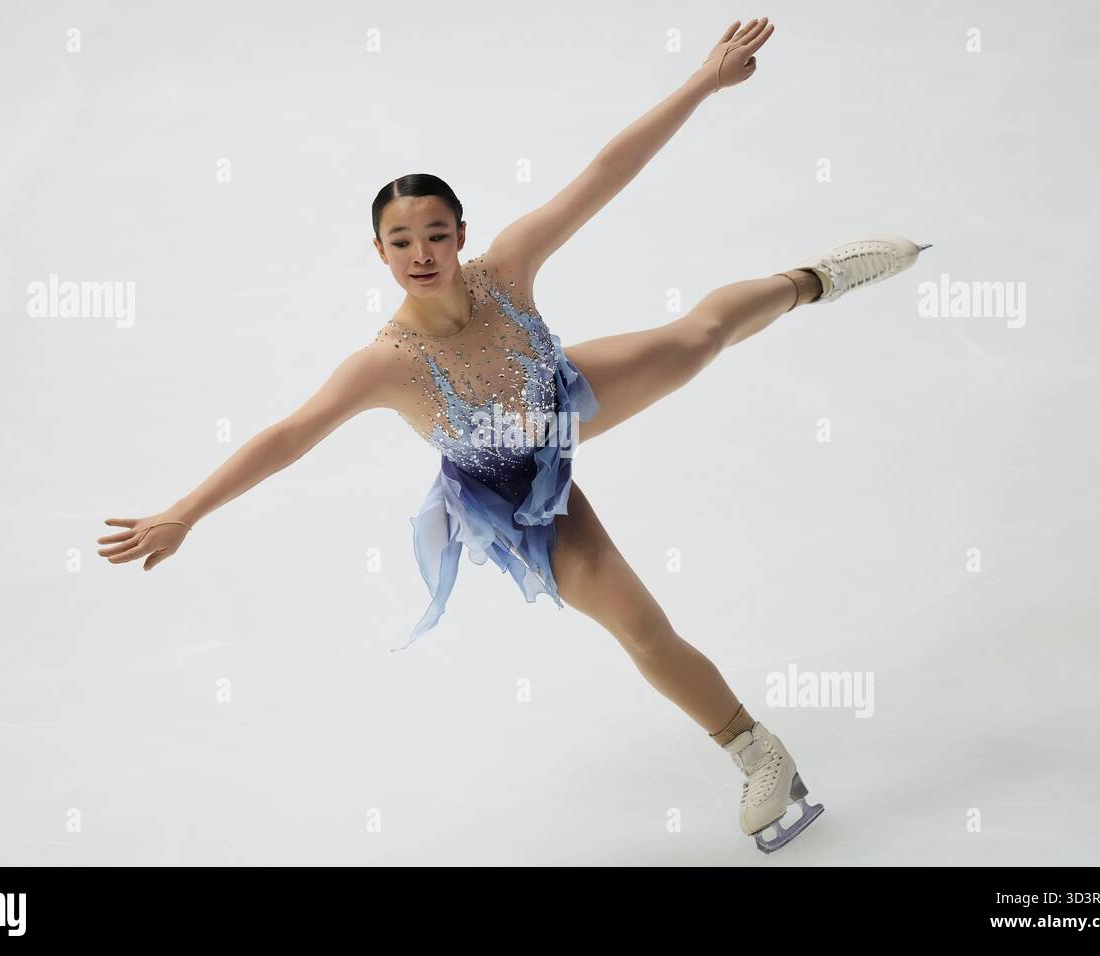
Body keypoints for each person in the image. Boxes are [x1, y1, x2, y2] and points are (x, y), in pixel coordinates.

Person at [97, 17, 930, 853]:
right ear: (379, 253)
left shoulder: (506, 271)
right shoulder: (385, 363)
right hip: (512, 495)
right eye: (400, 241)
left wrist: (702, 83)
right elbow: (289, 435)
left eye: (434, 234)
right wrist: (187, 510)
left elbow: (606, 173)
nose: (421, 253)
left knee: (700, 338)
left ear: (460, 234)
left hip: (558, 396)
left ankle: (818, 278)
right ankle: (759, 752)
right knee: (637, 623)